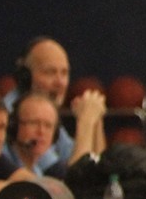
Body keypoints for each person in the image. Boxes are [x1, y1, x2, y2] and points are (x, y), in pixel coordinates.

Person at [7, 37, 106, 169]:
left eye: (64, 73)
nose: (60, 83)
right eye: (50, 73)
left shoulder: (47, 111)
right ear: (25, 77)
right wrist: (86, 122)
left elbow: (98, 170)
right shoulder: (15, 114)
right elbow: (72, 176)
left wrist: (96, 121)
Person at [5, 91, 63, 176]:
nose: (41, 131)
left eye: (48, 125)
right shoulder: (0, 165)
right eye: (33, 123)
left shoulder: (37, 172)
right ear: (14, 126)